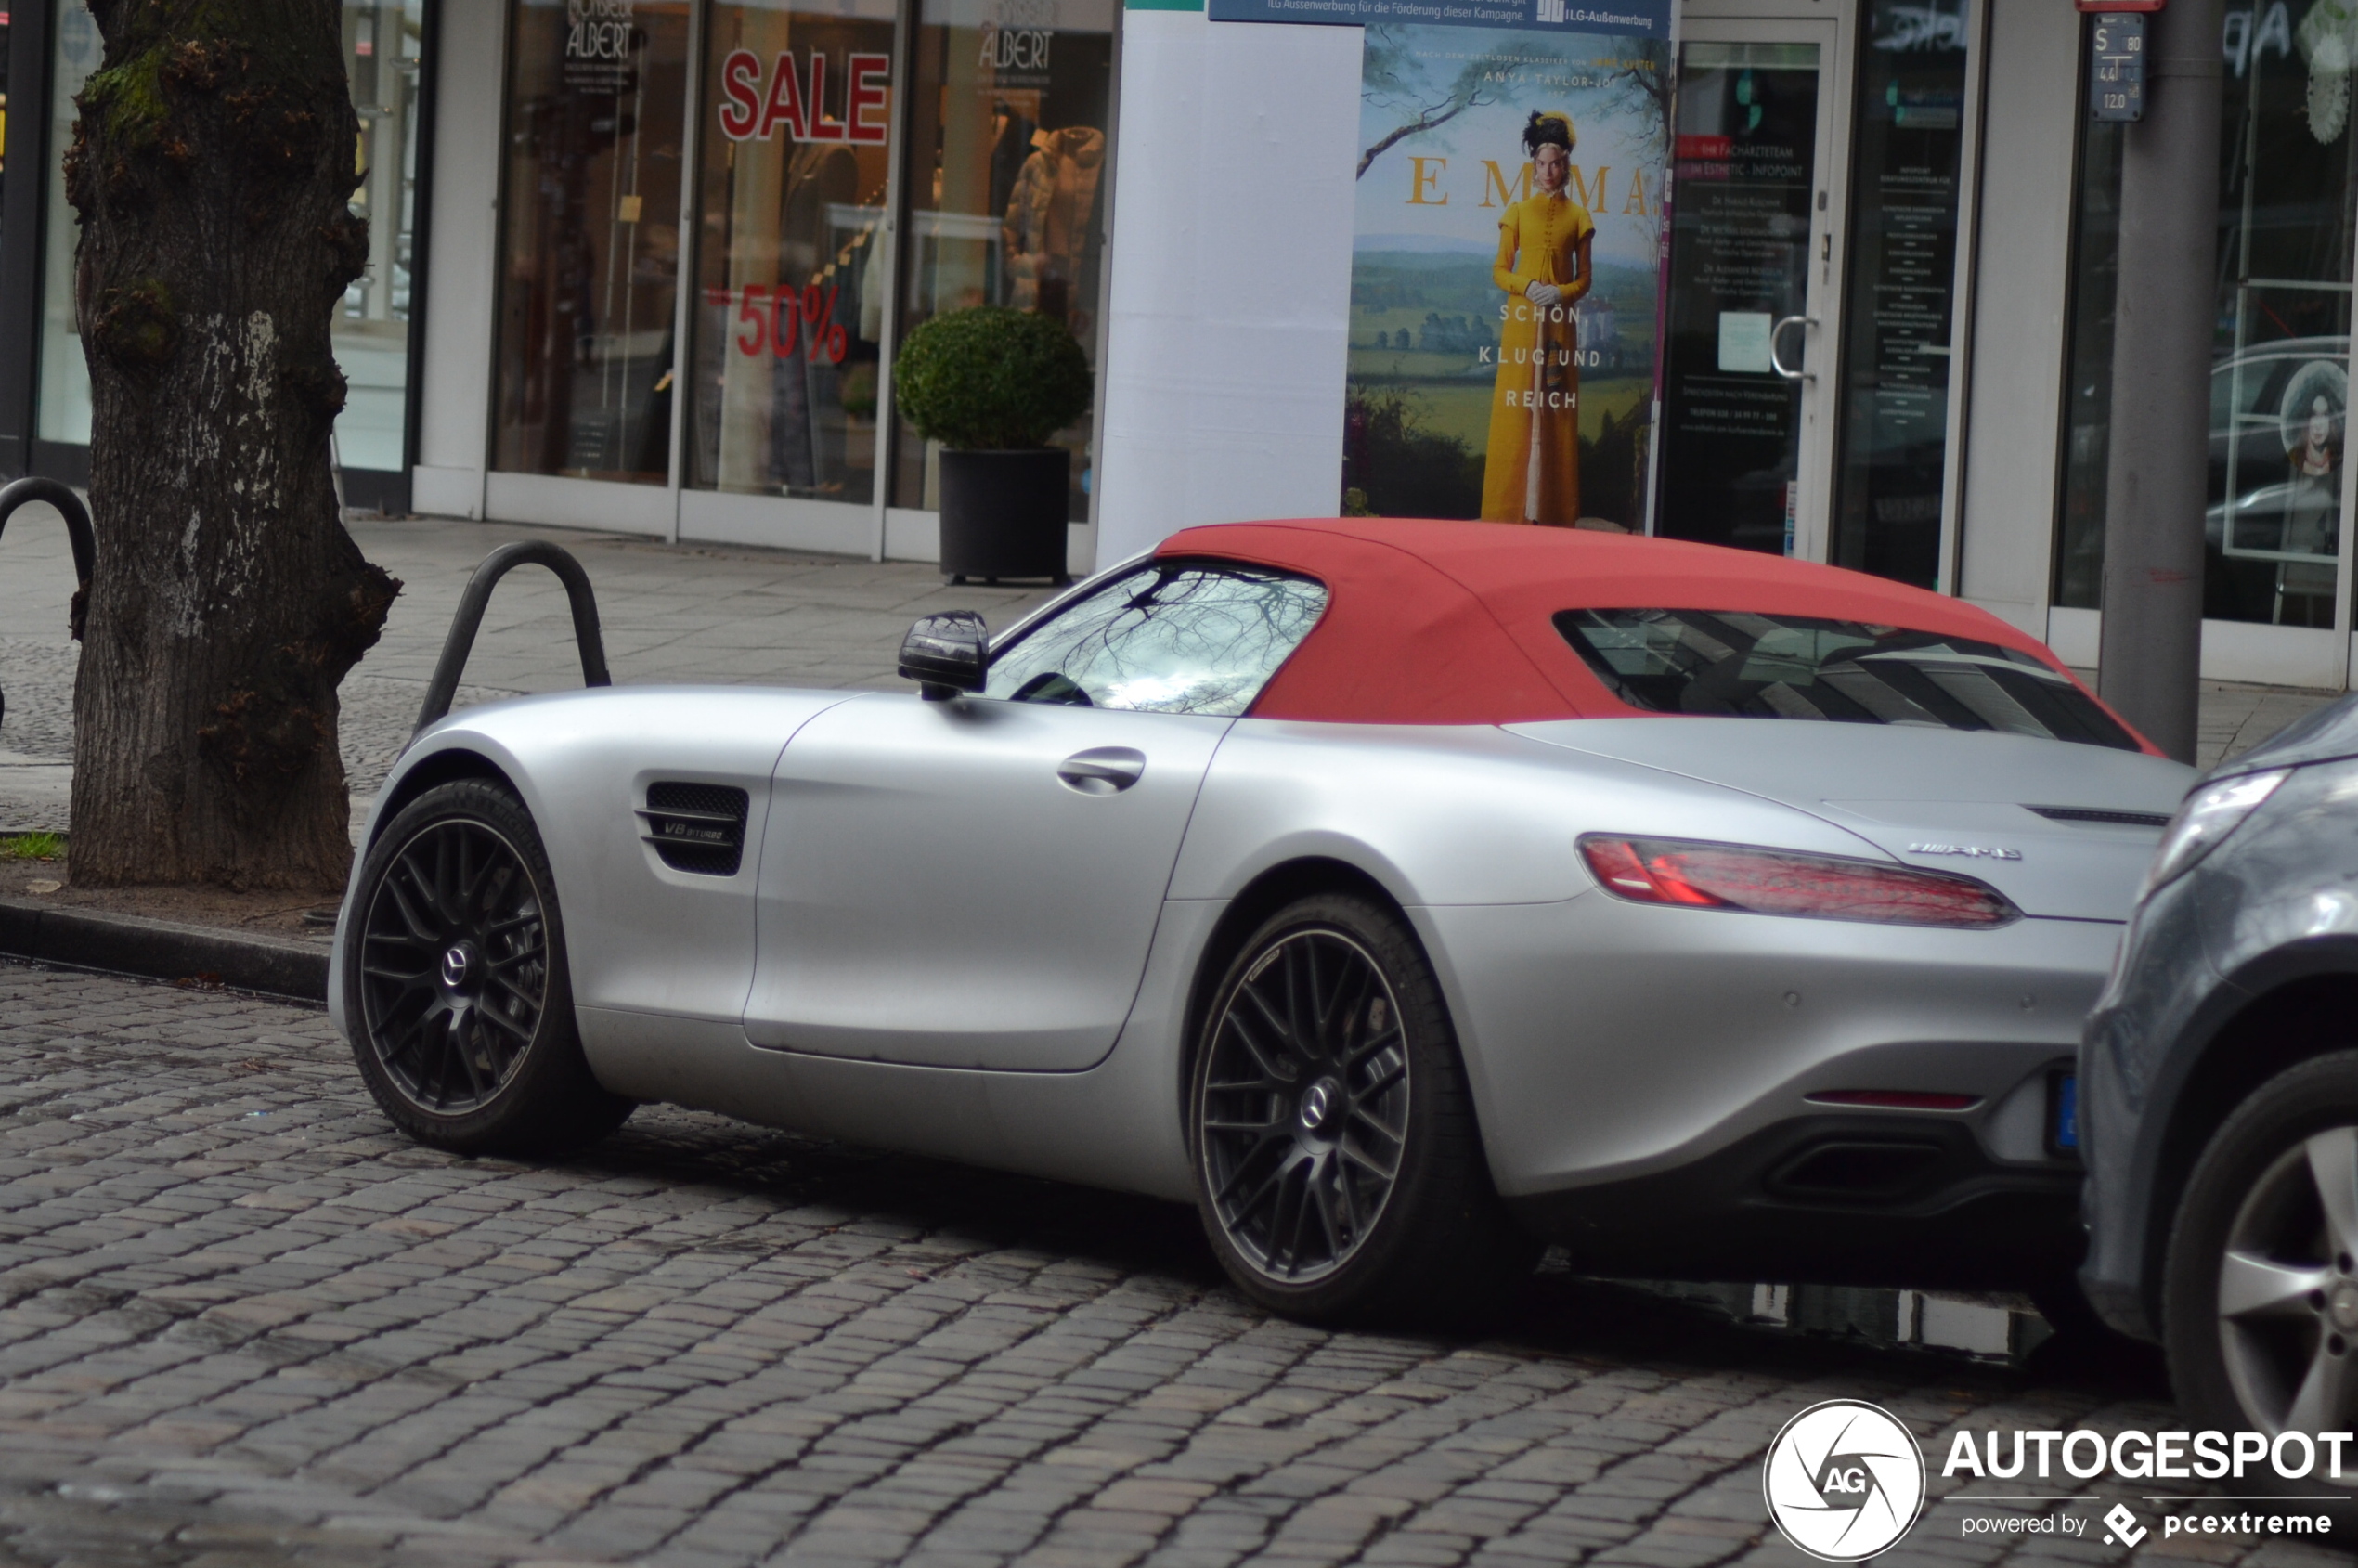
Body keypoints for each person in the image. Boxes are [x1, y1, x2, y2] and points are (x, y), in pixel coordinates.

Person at [1481, 110, 1594, 525]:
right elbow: (1499, 271)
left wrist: (1560, 292)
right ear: (1533, 166)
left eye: (1556, 164)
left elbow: (1585, 280)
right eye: (1542, 164)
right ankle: (1506, 511)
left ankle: (1552, 512)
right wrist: (1526, 286)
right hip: (1522, 323)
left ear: (1566, 166)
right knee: (1517, 407)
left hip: (1559, 325)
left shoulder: (1579, 217)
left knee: (1555, 404)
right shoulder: (1516, 212)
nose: (1548, 172)